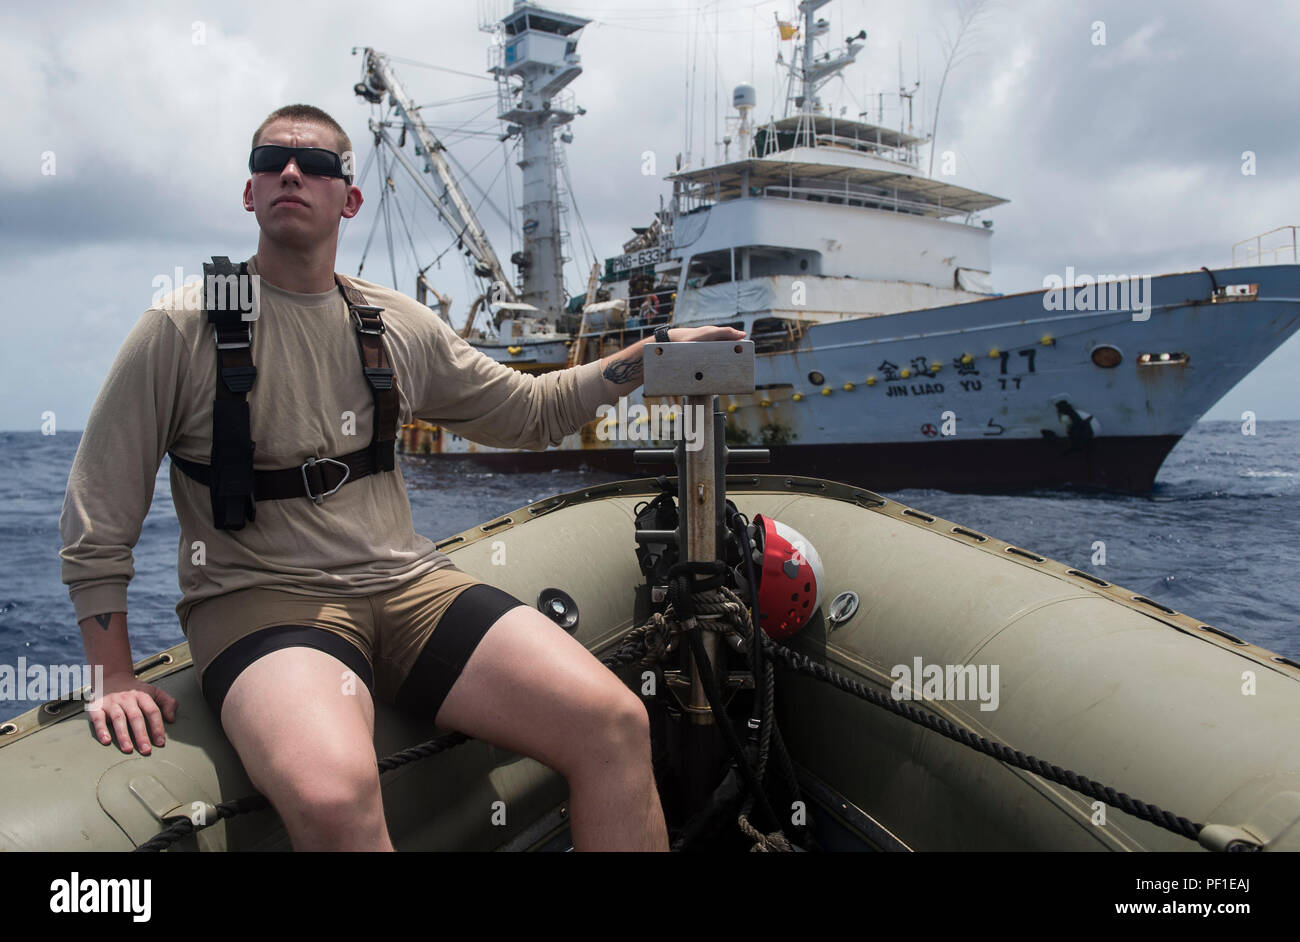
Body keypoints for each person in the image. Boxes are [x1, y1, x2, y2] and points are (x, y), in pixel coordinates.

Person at [58, 103, 745, 851]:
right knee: (335, 796)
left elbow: (525, 411)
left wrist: (650, 353)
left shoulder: (393, 324)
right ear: (249, 192)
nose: (292, 172)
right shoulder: (180, 327)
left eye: (317, 164)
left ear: (348, 199)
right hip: (259, 602)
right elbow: (100, 513)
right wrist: (112, 677)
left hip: (409, 587)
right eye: (271, 161)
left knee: (614, 722)